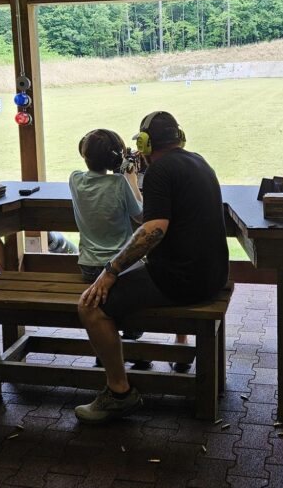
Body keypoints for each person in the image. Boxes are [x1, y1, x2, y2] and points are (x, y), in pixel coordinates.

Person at [74, 111, 229, 424]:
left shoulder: (160, 171)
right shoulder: (198, 161)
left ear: (144, 143)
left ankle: (119, 392)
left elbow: (152, 229)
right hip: (212, 276)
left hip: (181, 281)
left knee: (89, 305)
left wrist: (111, 270)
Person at [69, 129, 149, 370]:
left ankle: (107, 347)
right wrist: (131, 180)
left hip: (88, 267)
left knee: (111, 301)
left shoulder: (75, 179)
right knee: (136, 296)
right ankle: (127, 343)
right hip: (122, 268)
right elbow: (141, 217)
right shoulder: (119, 184)